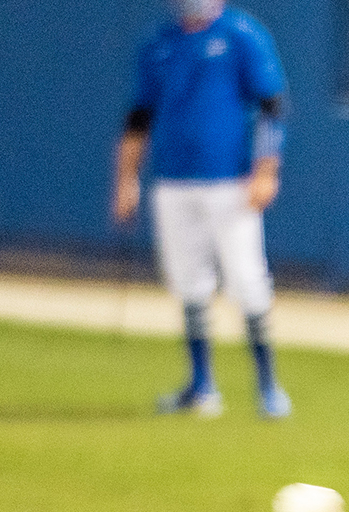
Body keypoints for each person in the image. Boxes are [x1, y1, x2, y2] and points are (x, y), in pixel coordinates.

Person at [112, 0, 292, 420]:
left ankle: (268, 385)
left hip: (229, 181)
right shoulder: (160, 44)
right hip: (173, 181)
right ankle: (201, 387)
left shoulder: (243, 35)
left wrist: (266, 170)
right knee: (187, 282)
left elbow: (272, 107)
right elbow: (139, 116)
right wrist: (126, 180)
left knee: (247, 279)